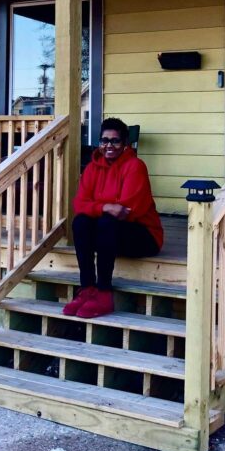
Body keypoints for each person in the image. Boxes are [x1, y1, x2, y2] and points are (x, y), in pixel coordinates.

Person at [63, 117, 163, 318]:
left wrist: (100, 208)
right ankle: (87, 288)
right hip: (109, 234)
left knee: (107, 222)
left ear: (125, 144)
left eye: (115, 141)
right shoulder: (92, 168)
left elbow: (126, 210)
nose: (109, 145)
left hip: (144, 236)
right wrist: (107, 206)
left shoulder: (135, 166)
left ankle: (103, 293)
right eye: (104, 140)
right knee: (81, 222)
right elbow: (79, 204)